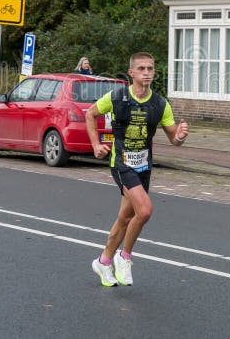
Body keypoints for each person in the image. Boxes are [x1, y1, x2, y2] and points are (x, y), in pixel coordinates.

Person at [85, 52, 189, 286]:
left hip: (144, 166)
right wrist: (95, 145)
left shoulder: (160, 105)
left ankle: (103, 261)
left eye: (150, 69)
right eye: (141, 68)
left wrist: (180, 136)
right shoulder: (117, 97)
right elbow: (90, 114)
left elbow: (174, 138)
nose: (146, 73)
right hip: (121, 163)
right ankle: (125, 257)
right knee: (144, 211)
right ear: (131, 73)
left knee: (125, 217)